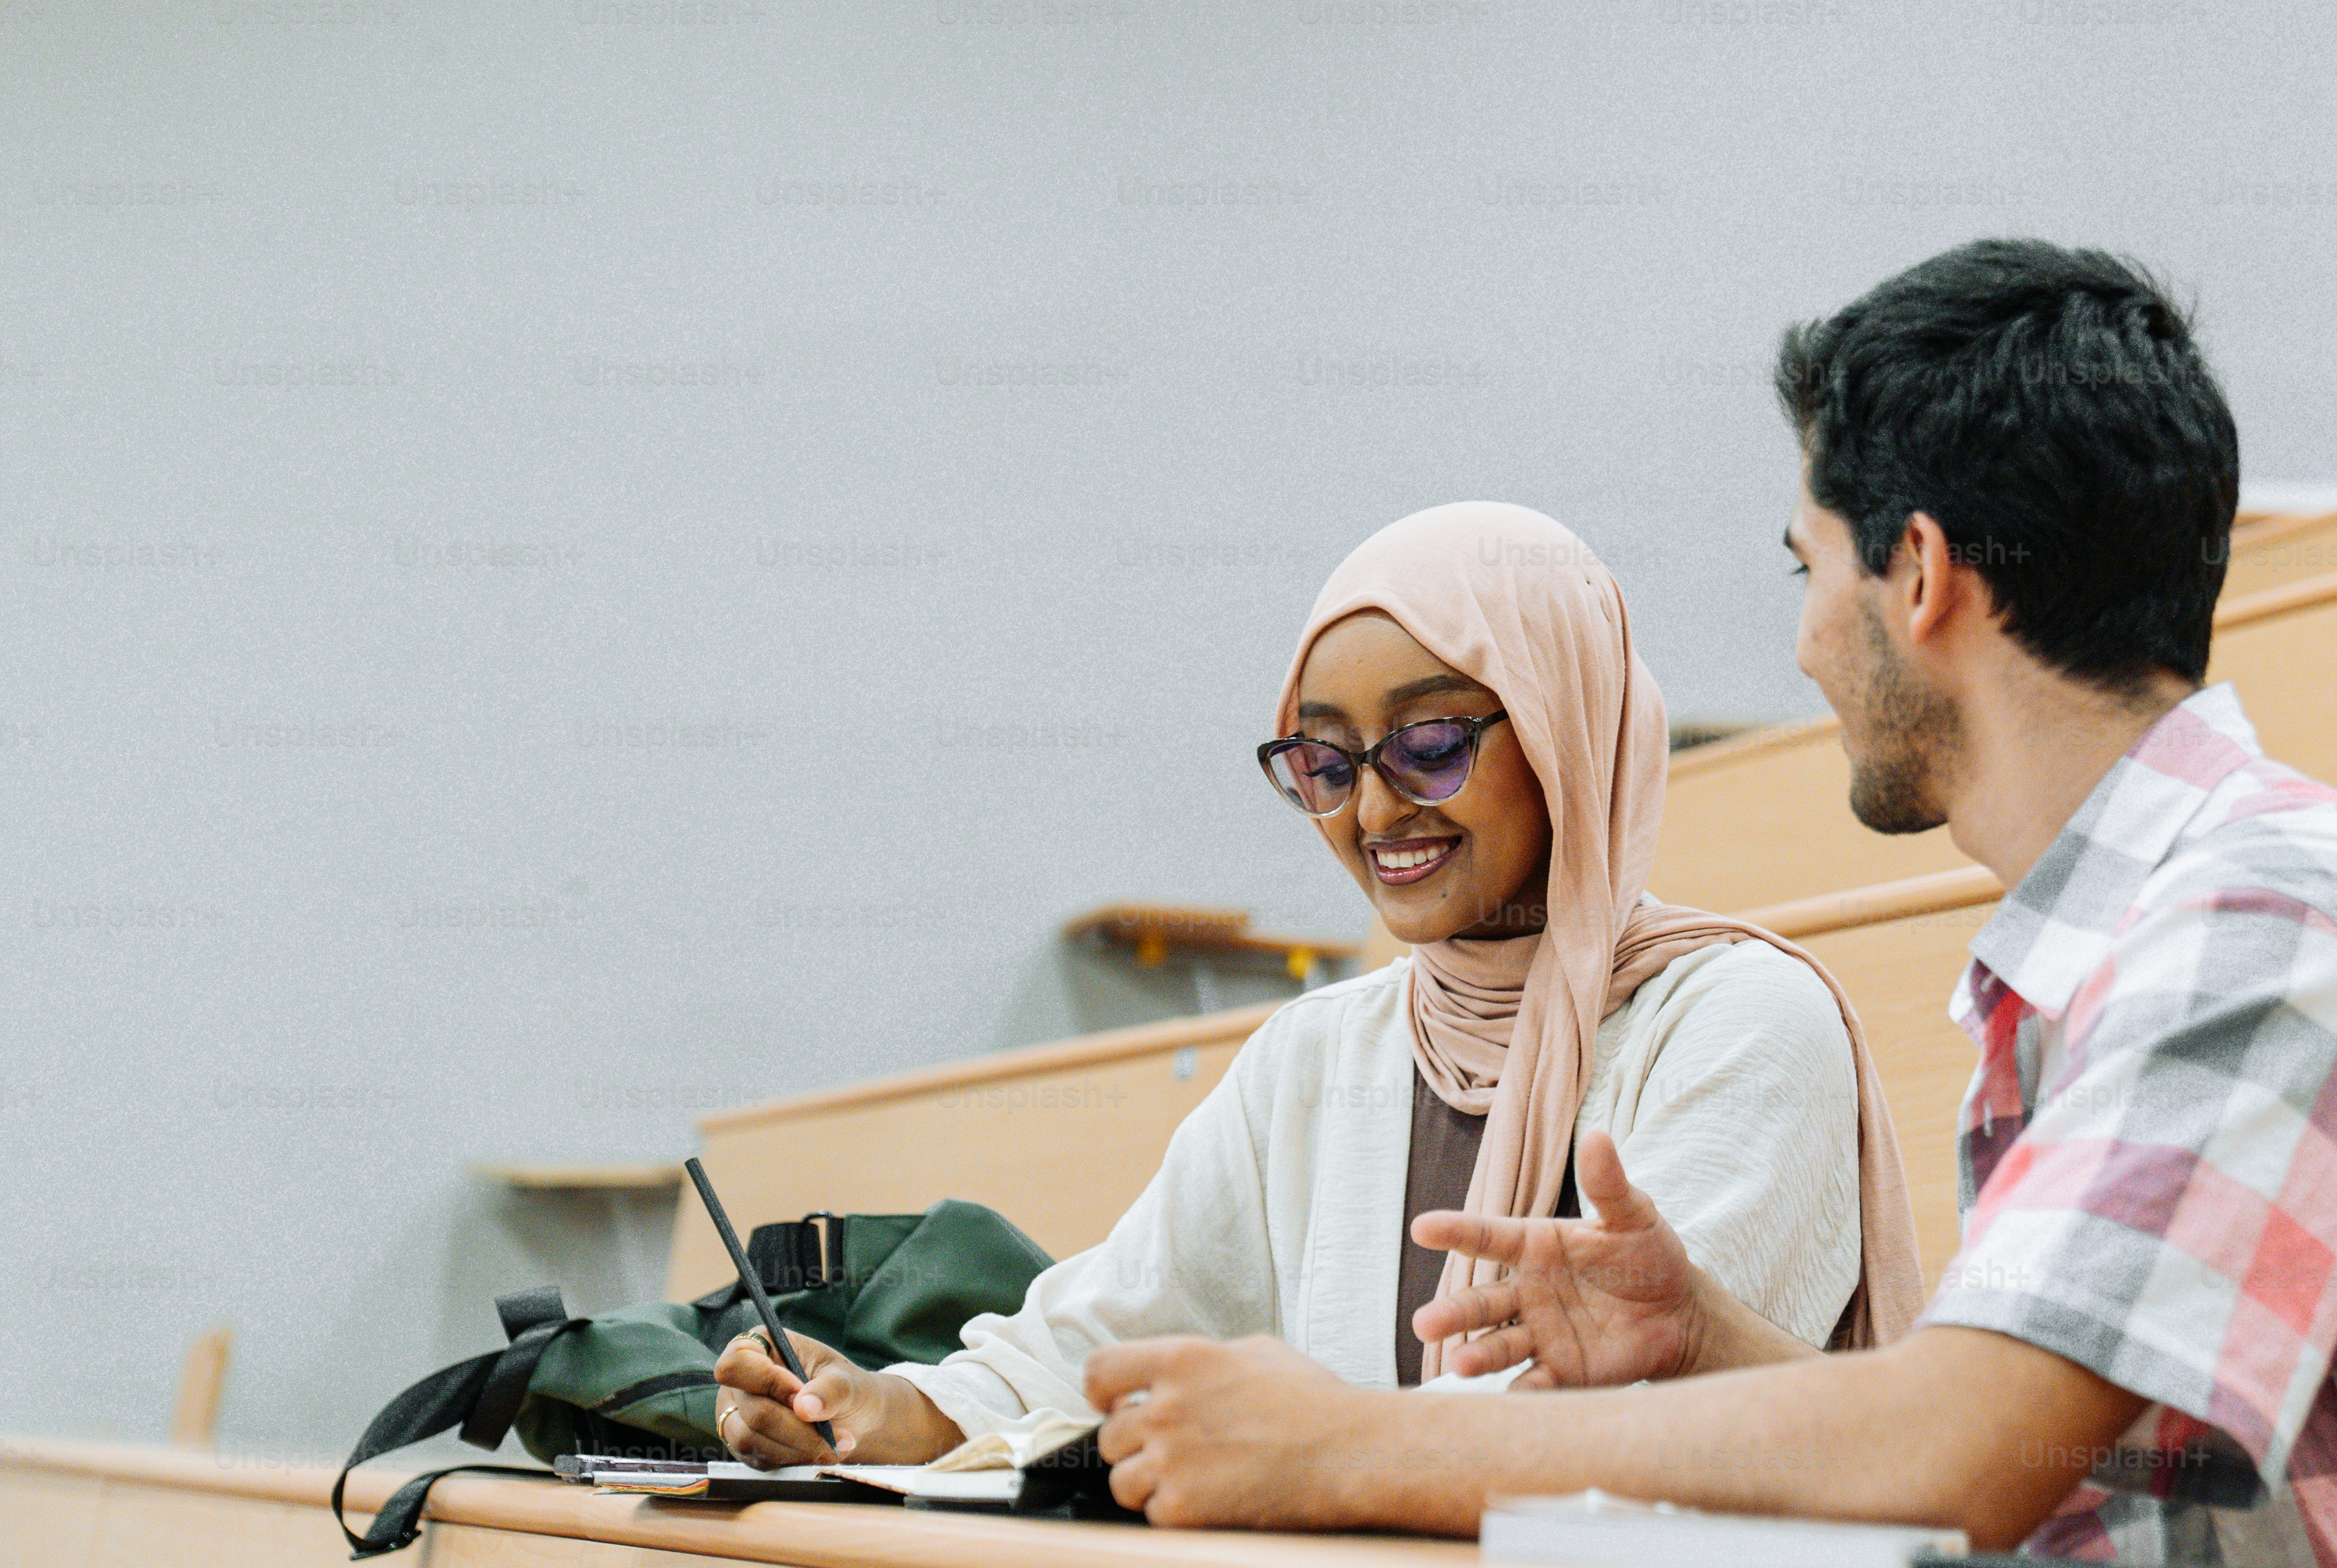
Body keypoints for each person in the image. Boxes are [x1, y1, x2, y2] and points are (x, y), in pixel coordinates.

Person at [1084, 242, 2337, 1568]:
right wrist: (1699, 1332)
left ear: (1917, 571)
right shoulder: (2142, 919)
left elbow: (1954, 1452)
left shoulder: (2269, 916)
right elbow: (2060, 1462)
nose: (1797, 643)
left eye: (1809, 567)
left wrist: (1338, 1447)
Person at [714, 500, 1924, 1467]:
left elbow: (1649, 1445)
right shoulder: (1317, 1058)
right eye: (1324, 760)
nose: (1378, 808)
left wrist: (1317, 1449)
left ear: (1565, 725)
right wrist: (891, 1408)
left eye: (1431, 744)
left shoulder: (1740, 1024)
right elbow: (1101, 1330)